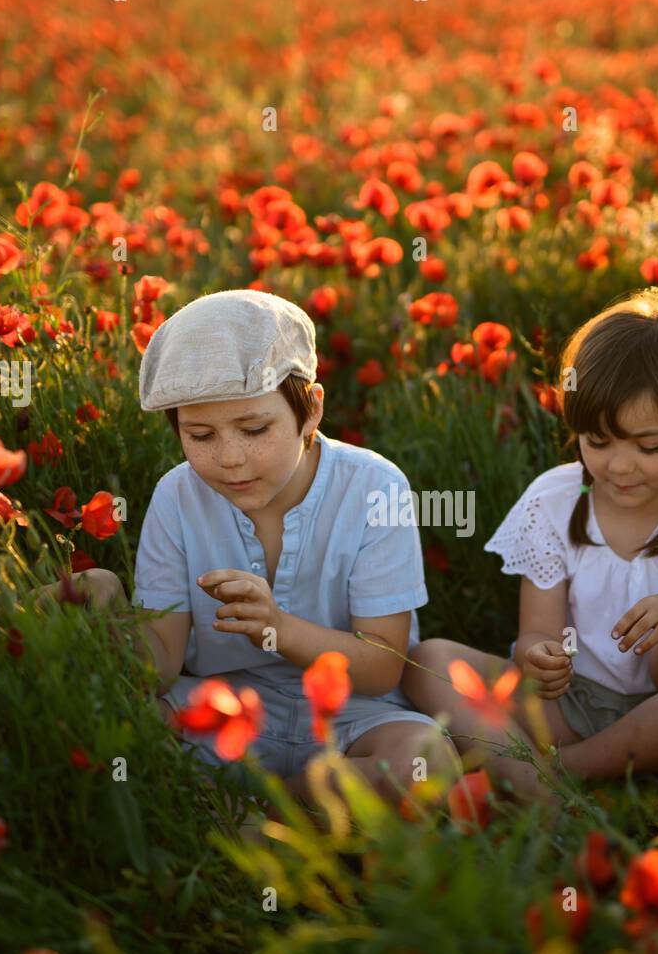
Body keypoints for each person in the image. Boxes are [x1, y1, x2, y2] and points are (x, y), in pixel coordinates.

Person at [41, 289, 460, 816]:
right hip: (221, 708)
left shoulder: (376, 487)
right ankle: (291, 823)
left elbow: (381, 668)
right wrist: (106, 609)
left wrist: (277, 627)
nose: (231, 459)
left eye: (254, 429)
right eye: (201, 435)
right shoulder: (178, 495)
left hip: (352, 718)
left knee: (423, 762)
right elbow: (162, 664)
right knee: (114, 729)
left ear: (312, 411)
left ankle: (256, 811)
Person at [403, 288, 658, 795]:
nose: (619, 467)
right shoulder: (554, 501)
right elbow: (537, 631)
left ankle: (554, 775)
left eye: (648, 447)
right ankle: (549, 778)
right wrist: (540, 662)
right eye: (598, 442)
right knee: (429, 662)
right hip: (575, 703)